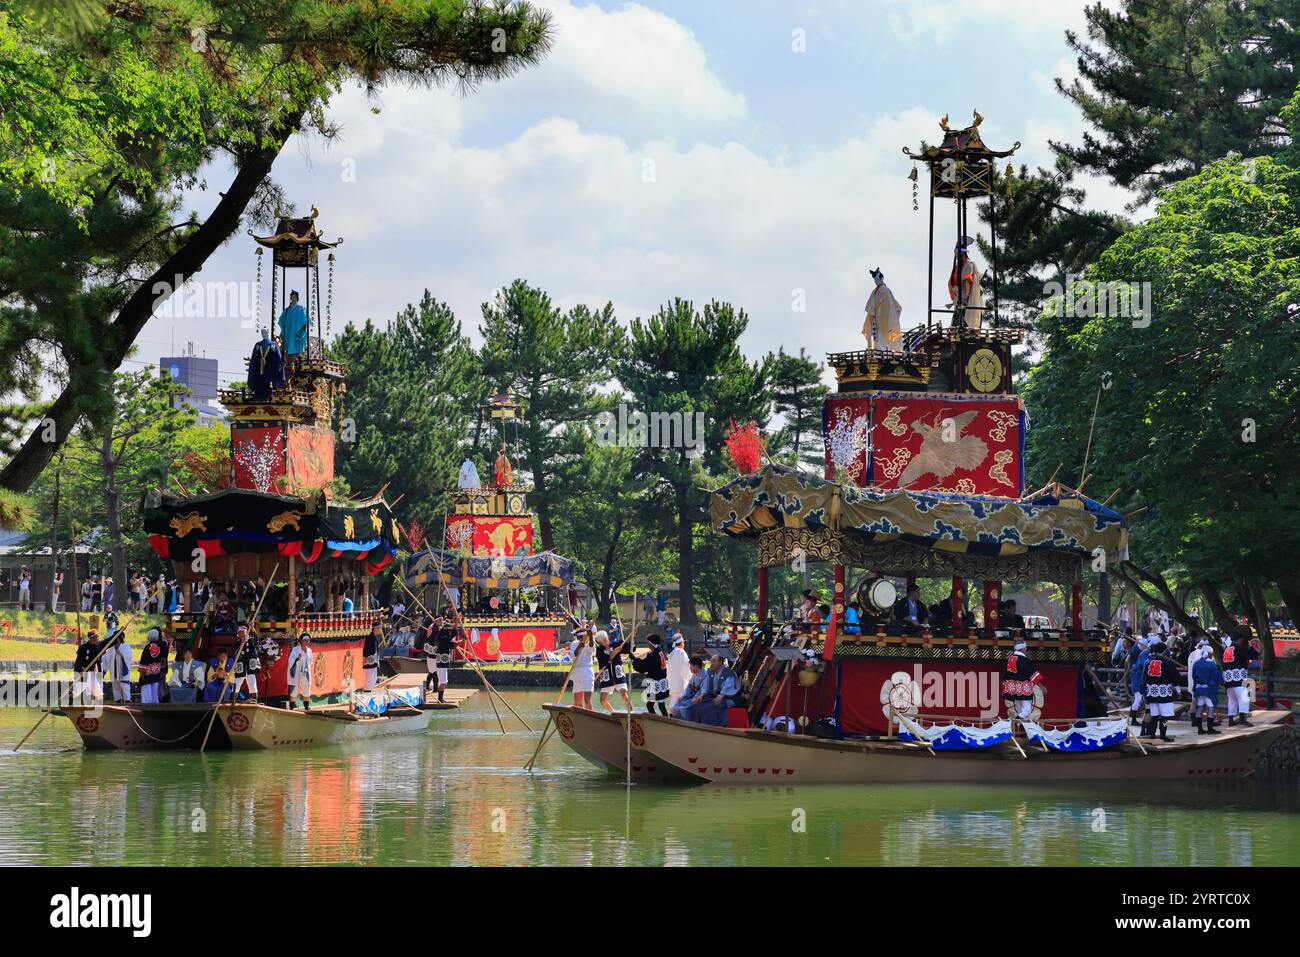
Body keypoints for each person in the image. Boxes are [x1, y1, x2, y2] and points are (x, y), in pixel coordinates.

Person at [1142, 639, 1180, 741]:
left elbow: (1143, 679)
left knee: (1154, 715)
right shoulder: (1167, 663)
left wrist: (1145, 693)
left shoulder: (1147, 662)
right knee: (1164, 717)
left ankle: (1152, 735)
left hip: (1151, 693)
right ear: (1164, 651)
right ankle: (1163, 736)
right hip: (1164, 693)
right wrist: (1178, 690)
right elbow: (1175, 678)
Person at [1222, 629, 1258, 727]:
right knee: (1244, 697)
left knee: (1232, 700)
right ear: (1240, 639)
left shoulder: (1226, 649)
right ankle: (1242, 719)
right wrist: (1251, 646)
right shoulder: (1239, 648)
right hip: (1238, 678)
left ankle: (1230, 720)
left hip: (1228, 678)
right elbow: (1253, 655)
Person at [862, 266, 904, 351]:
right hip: (878, 320)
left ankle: (884, 352)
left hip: (885, 320)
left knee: (885, 340)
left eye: (877, 279)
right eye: (874, 280)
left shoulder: (886, 291)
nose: (875, 282)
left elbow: (895, 307)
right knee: (878, 339)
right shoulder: (875, 291)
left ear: (881, 279)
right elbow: (871, 307)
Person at [1001, 638, 1042, 720]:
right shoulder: (1024, 660)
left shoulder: (1010, 659)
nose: (1026, 650)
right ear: (1023, 649)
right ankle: (1015, 720)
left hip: (1014, 689)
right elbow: (1033, 675)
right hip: (1023, 689)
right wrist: (1042, 687)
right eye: (1026, 648)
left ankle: (1019, 727)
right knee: (1027, 710)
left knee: (1019, 709)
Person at [948, 236, 984, 329]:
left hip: (965, 299)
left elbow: (967, 281)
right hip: (958, 298)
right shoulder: (957, 266)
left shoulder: (969, 264)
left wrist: (966, 298)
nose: (957, 256)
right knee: (956, 326)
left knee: (965, 325)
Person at [630, 634, 670, 716]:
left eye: (648, 643)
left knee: (654, 705)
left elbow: (646, 666)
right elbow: (646, 662)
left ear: (652, 643)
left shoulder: (655, 655)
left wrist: (634, 660)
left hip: (656, 681)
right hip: (657, 680)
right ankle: (662, 721)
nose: (647, 645)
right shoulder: (657, 652)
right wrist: (635, 659)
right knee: (658, 705)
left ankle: (661, 721)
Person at [594, 629, 632, 714]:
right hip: (607, 676)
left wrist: (631, 638)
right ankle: (614, 713)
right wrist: (615, 651)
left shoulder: (616, 644)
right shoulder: (599, 650)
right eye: (602, 641)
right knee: (603, 700)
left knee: (624, 694)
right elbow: (606, 661)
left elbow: (629, 649)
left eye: (606, 639)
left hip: (618, 674)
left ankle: (632, 713)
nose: (605, 641)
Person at [697, 654, 741, 726]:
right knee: (701, 702)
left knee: (713, 705)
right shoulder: (710, 672)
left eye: (714, 661)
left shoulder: (729, 672)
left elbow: (728, 686)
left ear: (720, 662)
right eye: (711, 661)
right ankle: (703, 725)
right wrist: (701, 695)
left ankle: (718, 725)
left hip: (728, 697)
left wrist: (721, 696)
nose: (711, 663)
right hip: (714, 696)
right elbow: (705, 686)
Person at [1190, 638, 1221, 735]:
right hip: (1208, 689)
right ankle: (1210, 729)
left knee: (1199, 708)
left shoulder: (1196, 663)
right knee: (1210, 708)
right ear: (1210, 653)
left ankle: (1200, 729)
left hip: (1199, 689)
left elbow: (1194, 676)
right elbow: (1216, 677)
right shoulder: (1211, 664)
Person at [247, 327, 285, 401]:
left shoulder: (273, 344)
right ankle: (257, 395)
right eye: (262, 333)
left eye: (265, 332)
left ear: (268, 332)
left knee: (268, 382)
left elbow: (278, 359)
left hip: (269, 368)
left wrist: (275, 367)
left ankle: (268, 395)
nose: (263, 334)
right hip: (259, 367)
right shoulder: (258, 345)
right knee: (258, 380)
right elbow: (254, 358)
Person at [430, 617, 461, 704]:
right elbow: (453, 645)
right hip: (441, 663)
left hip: (443, 662)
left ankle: (441, 698)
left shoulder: (444, 636)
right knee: (443, 682)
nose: (450, 631)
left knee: (444, 681)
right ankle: (440, 699)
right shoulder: (443, 638)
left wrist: (456, 623)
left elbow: (454, 633)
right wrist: (462, 640)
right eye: (449, 630)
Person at [136, 626, 170, 704]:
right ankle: (155, 705)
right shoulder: (162, 645)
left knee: (146, 693)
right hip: (156, 672)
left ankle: (146, 706)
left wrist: (142, 675)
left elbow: (143, 662)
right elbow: (165, 641)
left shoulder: (147, 648)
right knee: (155, 694)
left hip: (147, 674)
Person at [278, 290, 310, 370]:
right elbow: (283, 323)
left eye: (295, 297)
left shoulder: (301, 309)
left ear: (297, 298)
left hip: (297, 334)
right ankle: (288, 365)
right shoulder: (287, 310)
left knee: (297, 351)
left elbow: (305, 322)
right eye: (292, 297)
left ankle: (296, 364)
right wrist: (282, 333)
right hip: (288, 334)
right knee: (288, 350)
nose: (293, 299)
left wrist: (301, 330)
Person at [568, 619, 595, 710]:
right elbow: (573, 655)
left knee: (587, 699)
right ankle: (579, 718)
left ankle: (590, 719)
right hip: (577, 673)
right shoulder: (574, 644)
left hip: (587, 673)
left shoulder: (589, 643)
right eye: (585, 636)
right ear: (580, 638)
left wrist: (590, 636)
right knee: (577, 701)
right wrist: (579, 647)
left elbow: (592, 648)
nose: (586, 637)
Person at [670, 657, 709, 722]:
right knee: (677, 705)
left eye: (691, 665)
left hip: (701, 697)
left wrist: (697, 697)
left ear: (696, 666)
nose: (690, 667)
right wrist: (684, 696)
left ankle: (686, 722)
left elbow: (704, 689)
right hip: (692, 695)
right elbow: (689, 687)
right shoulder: (694, 674)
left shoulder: (705, 675)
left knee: (685, 708)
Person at [231, 626, 261, 702]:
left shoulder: (251, 640)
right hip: (241, 667)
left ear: (246, 632)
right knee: (237, 684)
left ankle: (254, 700)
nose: (242, 634)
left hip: (250, 667)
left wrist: (253, 628)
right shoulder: (237, 643)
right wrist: (241, 646)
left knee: (252, 684)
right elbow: (235, 654)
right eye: (240, 633)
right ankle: (233, 700)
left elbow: (256, 642)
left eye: (243, 632)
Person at [103, 629, 133, 703]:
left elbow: (128, 657)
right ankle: (118, 703)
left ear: (118, 639)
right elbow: (107, 659)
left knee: (125, 687)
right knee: (116, 689)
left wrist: (120, 653)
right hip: (114, 672)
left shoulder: (126, 646)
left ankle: (128, 703)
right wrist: (104, 671)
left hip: (123, 672)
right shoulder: (111, 649)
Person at [73, 629, 103, 702]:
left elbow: (98, 661)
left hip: (91, 673)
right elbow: (78, 661)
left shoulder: (97, 646)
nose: (98, 638)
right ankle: (70, 704)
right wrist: (80, 671)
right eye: (97, 637)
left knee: (98, 691)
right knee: (77, 691)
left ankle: (101, 706)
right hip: (83, 673)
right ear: (92, 638)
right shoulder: (83, 648)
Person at [286, 633, 314, 710]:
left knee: (306, 690)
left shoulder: (309, 651)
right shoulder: (295, 649)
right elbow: (290, 661)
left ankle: (306, 707)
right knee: (293, 691)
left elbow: (311, 661)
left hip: (305, 673)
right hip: (296, 673)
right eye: (305, 640)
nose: (307, 642)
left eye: (308, 640)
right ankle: (291, 708)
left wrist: (305, 655)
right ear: (301, 641)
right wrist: (297, 659)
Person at [666, 633, 691, 710]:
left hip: (672, 684)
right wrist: (691, 679)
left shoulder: (672, 654)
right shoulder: (681, 652)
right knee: (678, 707)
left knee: (673, 703)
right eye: (683, 642)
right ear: (681, 643)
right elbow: (686, 668)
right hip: (680, 684)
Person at [362, 622, 383, 692]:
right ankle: (366, 691)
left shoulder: (374, 637)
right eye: (379, 628)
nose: (380, 630)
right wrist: (365, 658)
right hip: (370, 660)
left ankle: (369, 690)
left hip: (373, 660)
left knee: (373, 677)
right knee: (370, 677)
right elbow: (366, 649)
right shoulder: (370, 638)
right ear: (375, 629)